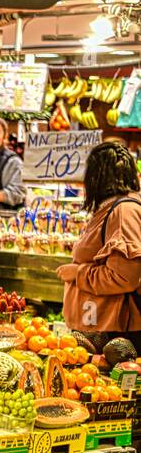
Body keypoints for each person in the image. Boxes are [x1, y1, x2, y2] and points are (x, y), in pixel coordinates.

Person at [57, 141, 141, 349]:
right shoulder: (112, 207)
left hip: (115, 334)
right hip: (100, 328)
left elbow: (124, 278)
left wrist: (78, 273)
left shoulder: (124, 211)